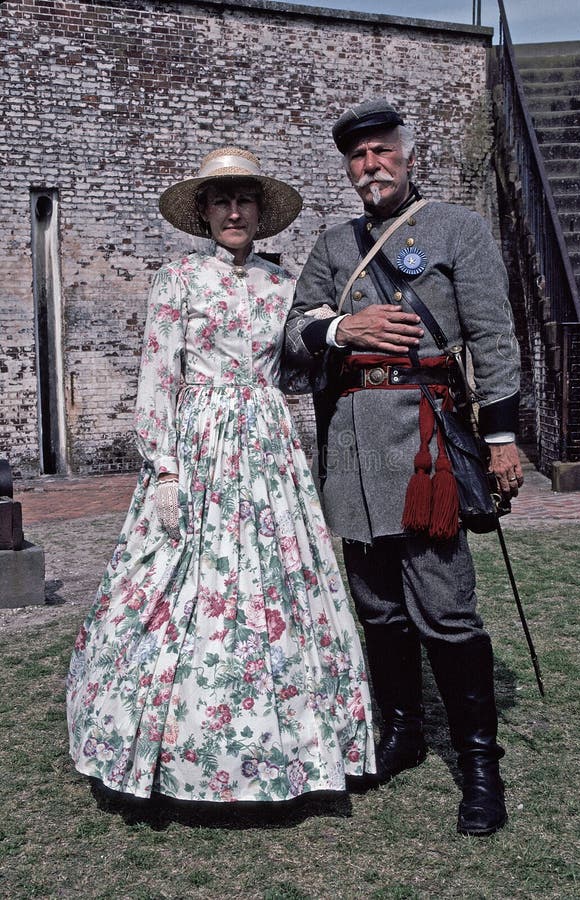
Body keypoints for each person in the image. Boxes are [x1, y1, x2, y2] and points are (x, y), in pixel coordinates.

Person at [66, 146, 376, 804]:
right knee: (181, 583)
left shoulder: (280, 282)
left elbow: (294, 372)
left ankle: (292, 745)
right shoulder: (178, 278)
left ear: (260, 212)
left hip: (267, 447)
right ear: (203, 212)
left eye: (244, 200)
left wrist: (326, 333)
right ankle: (174, 749)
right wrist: (165, 467)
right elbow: (158, 375)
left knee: (279, 586)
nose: (233, 211)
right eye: (221, 200)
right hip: (199, 444)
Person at [285, 100, 523, 836]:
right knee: (379, 606)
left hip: (425, 442)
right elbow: (292, 339)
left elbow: (491, 334)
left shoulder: (457, 228)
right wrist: (339, 326)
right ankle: (403, 734)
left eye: (381, 152)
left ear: (406, 155)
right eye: (357, 158)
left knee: (445, 606)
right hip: (354, 445)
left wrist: (504, 438)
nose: (370, 167)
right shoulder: (332, 244)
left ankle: (479, 765)